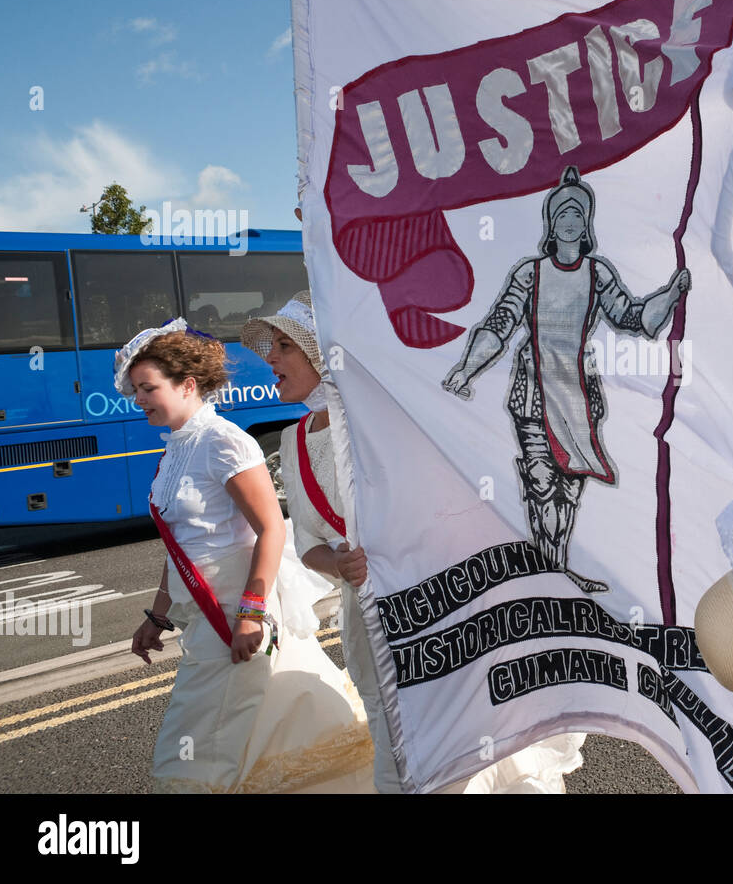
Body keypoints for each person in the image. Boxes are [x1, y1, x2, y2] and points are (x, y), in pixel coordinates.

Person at [243, 293, 585, 792]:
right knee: (393, 734)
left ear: (323, 354)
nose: (270, 358)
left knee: (456, 738)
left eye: (284, 346)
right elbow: (308, 540)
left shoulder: (385, 421)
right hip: (368, 620)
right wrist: (340, 564)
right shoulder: (292, 443)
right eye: (271, 348)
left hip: (436, 611)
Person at [121, 320, 375, 792]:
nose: (139, 399)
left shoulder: (224, 441)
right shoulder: (175, 450)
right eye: (136, 389)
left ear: (188, 384)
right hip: (205, 620)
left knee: (190, 751)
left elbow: (271, 528)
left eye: (148, 388)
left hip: (237, 615)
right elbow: (180, 545)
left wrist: (251, 612)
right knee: (267, 740)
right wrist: (157, 616)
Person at [443, 166, 690, 595]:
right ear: (551, 224)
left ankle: (554, 571)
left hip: (579, 397)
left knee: (568, 493)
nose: (571, 223)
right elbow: (499, 324)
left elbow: (631, 316)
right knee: (542, 486)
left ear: (587, 223)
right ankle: (549, 576)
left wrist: (669, 295)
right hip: (533, 395)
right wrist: (467, 368)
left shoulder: (598, 274)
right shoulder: (530, 274)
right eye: (563, 216)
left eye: (578, 215)